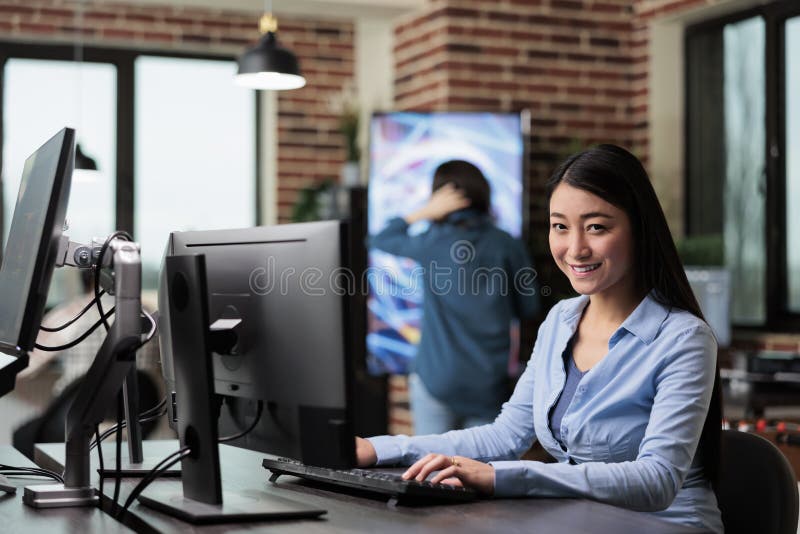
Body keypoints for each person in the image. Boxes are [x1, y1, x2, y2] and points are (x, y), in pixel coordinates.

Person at [357, 145, 724, 533]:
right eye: (560, 226)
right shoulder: (560, 320)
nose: (575, 248)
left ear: (639, 228)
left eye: (597, 226)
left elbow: (657, 481)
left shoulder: (684, 339)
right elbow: (506, 436)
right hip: (580, 522)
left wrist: (500, 477)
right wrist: (380, 449)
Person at [370, 160, 540, 434]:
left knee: (429, 473)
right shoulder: (507, 245)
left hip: (436, 379)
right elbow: (529, 308)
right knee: (482, 473)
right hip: (488, 384)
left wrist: (424, 212)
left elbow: (380, 239)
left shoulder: (432, 241)